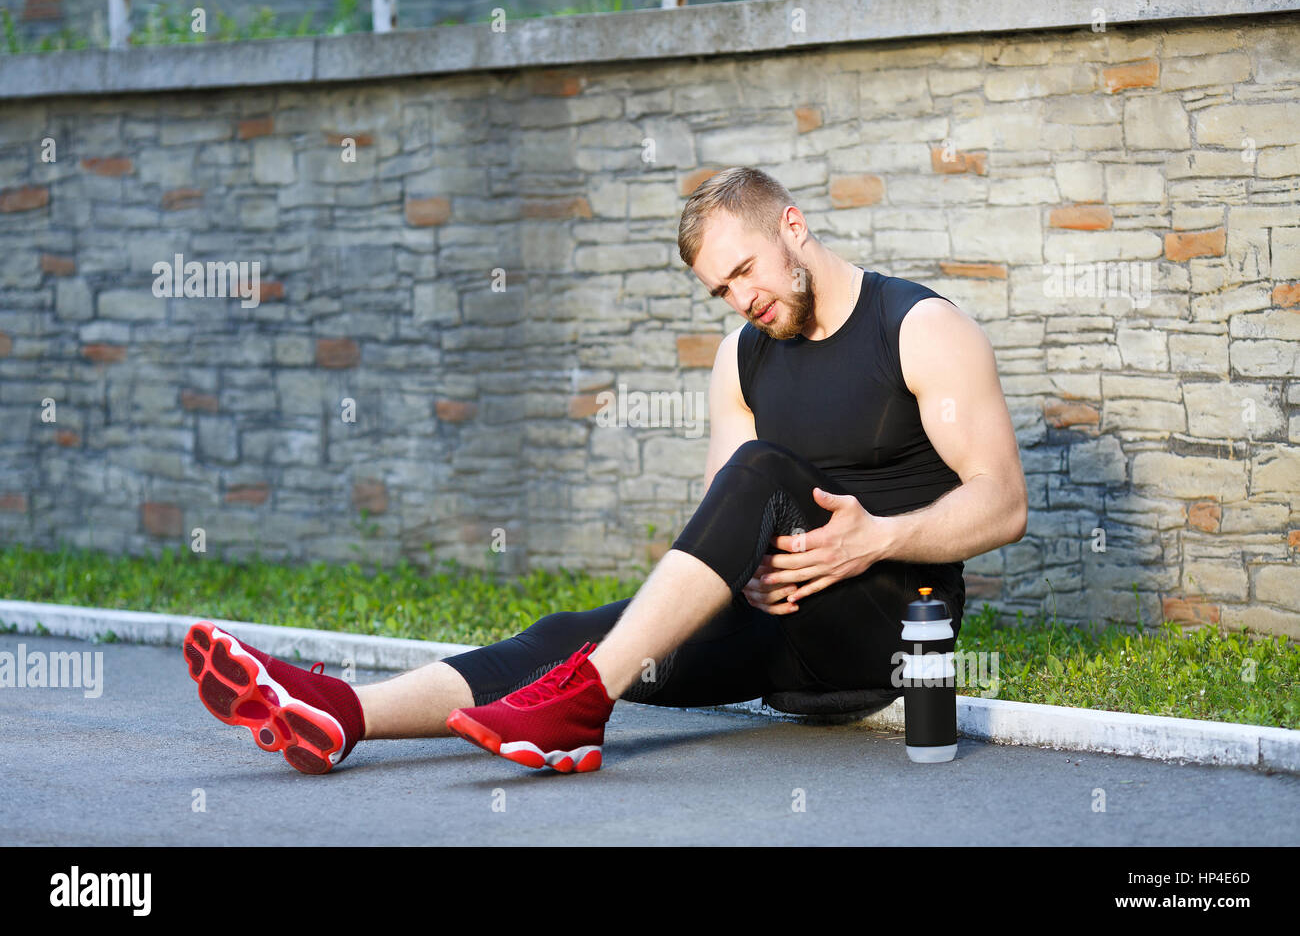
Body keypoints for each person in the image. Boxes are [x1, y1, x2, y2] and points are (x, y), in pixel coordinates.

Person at [182, 166, 1028, 775]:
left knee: (763, 469)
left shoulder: (916, 327)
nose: (741, 301)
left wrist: (873, 539)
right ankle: (342, 712)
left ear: (793, 228)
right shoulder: (742, 357)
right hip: (777, 639)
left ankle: (581, 707)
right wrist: (752, 578)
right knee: (569, 632)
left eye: (744, 271)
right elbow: (728, 517)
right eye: (720, 291)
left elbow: (1002, 503)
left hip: (888, 637)